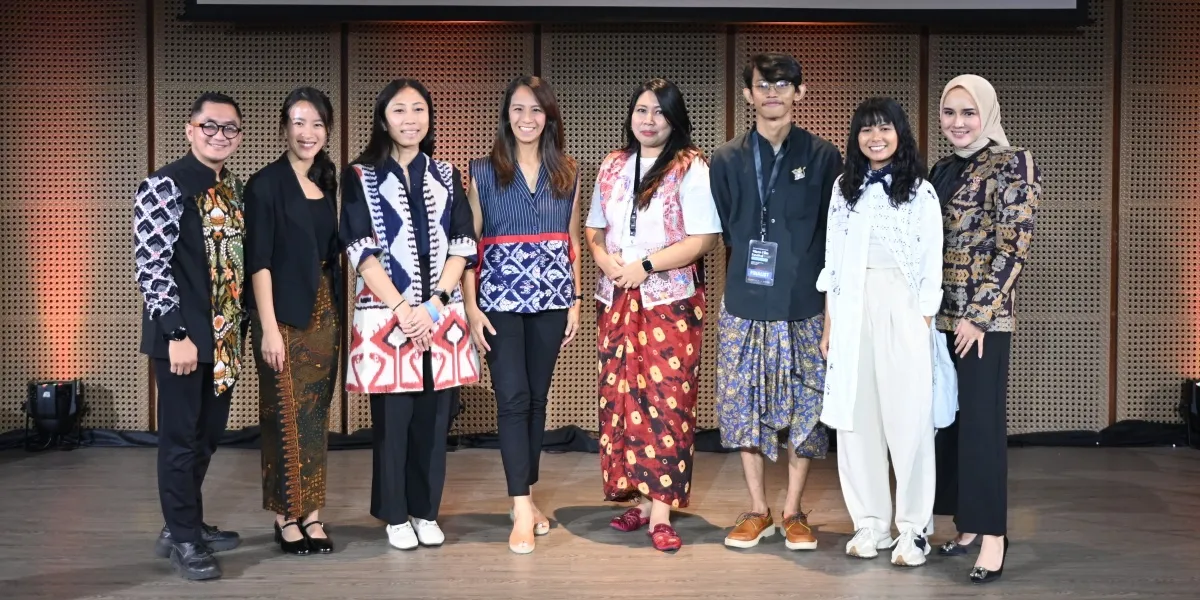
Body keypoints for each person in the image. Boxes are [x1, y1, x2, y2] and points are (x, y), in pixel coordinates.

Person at [340, 78, 480, 551]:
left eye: (418, 109)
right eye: (399, 111)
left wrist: (434, 303)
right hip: (386, 318)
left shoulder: (446, 174)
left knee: (435, 420)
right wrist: (403, 308)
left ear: (428, 118)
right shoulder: (360, 175)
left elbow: (463, 243)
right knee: (393, 423)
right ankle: (396, 514)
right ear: (384, 120)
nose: (409, 119)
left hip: (440, 316)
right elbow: (360, 247)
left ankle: (426, 510)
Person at [710, 53, 842, 551]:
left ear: (799, 93)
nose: (773, 92)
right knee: (743, 405)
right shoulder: (724, 159)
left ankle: (793, 512)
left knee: (808, 407)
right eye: (763, 84)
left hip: (804, 303)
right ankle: (756, 509)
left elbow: (836, 233)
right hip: (744, 302)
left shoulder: (825, 156)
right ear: (748, 94)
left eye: (783, 84)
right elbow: (719, 229)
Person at [585, 78, 720, 552]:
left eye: (659, 113)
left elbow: (703, 238)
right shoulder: (613, 165)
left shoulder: (691, 166)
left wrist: (644, 266)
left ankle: (662, 509)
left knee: (666, 402)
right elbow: (594, 230)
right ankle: (640, 500)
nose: (647, 120)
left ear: (674, 119)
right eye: (641, 110)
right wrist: (608, 264)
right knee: (622, 398)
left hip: (670, 302)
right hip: (618, 299)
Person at [816, 97, 943, 566]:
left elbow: (932, 262)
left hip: (903, 307)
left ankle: (913, 529)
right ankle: (870, 522)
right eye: (867, 130)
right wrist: (831, 322)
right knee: (856, 419)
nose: (875, 137)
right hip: (852, 307)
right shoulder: (843, 188)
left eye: (884, 128)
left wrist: (922, 318)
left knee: (909, 421)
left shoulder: (920, 190)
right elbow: (831, 259)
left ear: (900, 133)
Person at [462, 76, 582, 555]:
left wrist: (573, 300)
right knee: (512, 399)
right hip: (498, 299)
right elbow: (466, 246)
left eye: (536, 110)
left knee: (536, 401)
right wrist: (471, 307)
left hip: (552, 297)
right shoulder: (482, 171)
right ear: (506, 114)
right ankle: (520, 505)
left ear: (549, 117)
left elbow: (570, 241)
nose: (527, 119)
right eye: (518, 109)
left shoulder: (568, 172)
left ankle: (525, 501)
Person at [930, 74, 1040, 584]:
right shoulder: (941, 167)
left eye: (968, 112)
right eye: (950, 112)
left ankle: (993, 535)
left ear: (987, 114)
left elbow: (1013, 245)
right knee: (947, 427)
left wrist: (978, 314)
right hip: (938, 316)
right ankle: (967, 525)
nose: (958, 122)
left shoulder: (1012, 161)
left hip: (983, 321)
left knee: (980, 426)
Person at [136, 92, 246, 580]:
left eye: (229, 129)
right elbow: (152, 267)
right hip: (182, 338)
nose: (219, 136)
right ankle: (184, 539)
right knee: (179, 441)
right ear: (190, 129)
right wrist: (176, 332)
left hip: (224, 339)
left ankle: (185, 521)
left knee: (207, 438)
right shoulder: (163, 185)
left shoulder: (233, 190)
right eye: (210, 126)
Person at [244, 86, 342, 556]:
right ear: (284, 127)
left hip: (325, 314)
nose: (308, 132)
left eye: (318, 123)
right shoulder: (265, 185)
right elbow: (258, 262)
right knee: (283, 418)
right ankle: (286, 516)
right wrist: (266, 328)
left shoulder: (327, 180)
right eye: (299, 122)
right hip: (283, 316)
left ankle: (314, 513)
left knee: (315, 417)